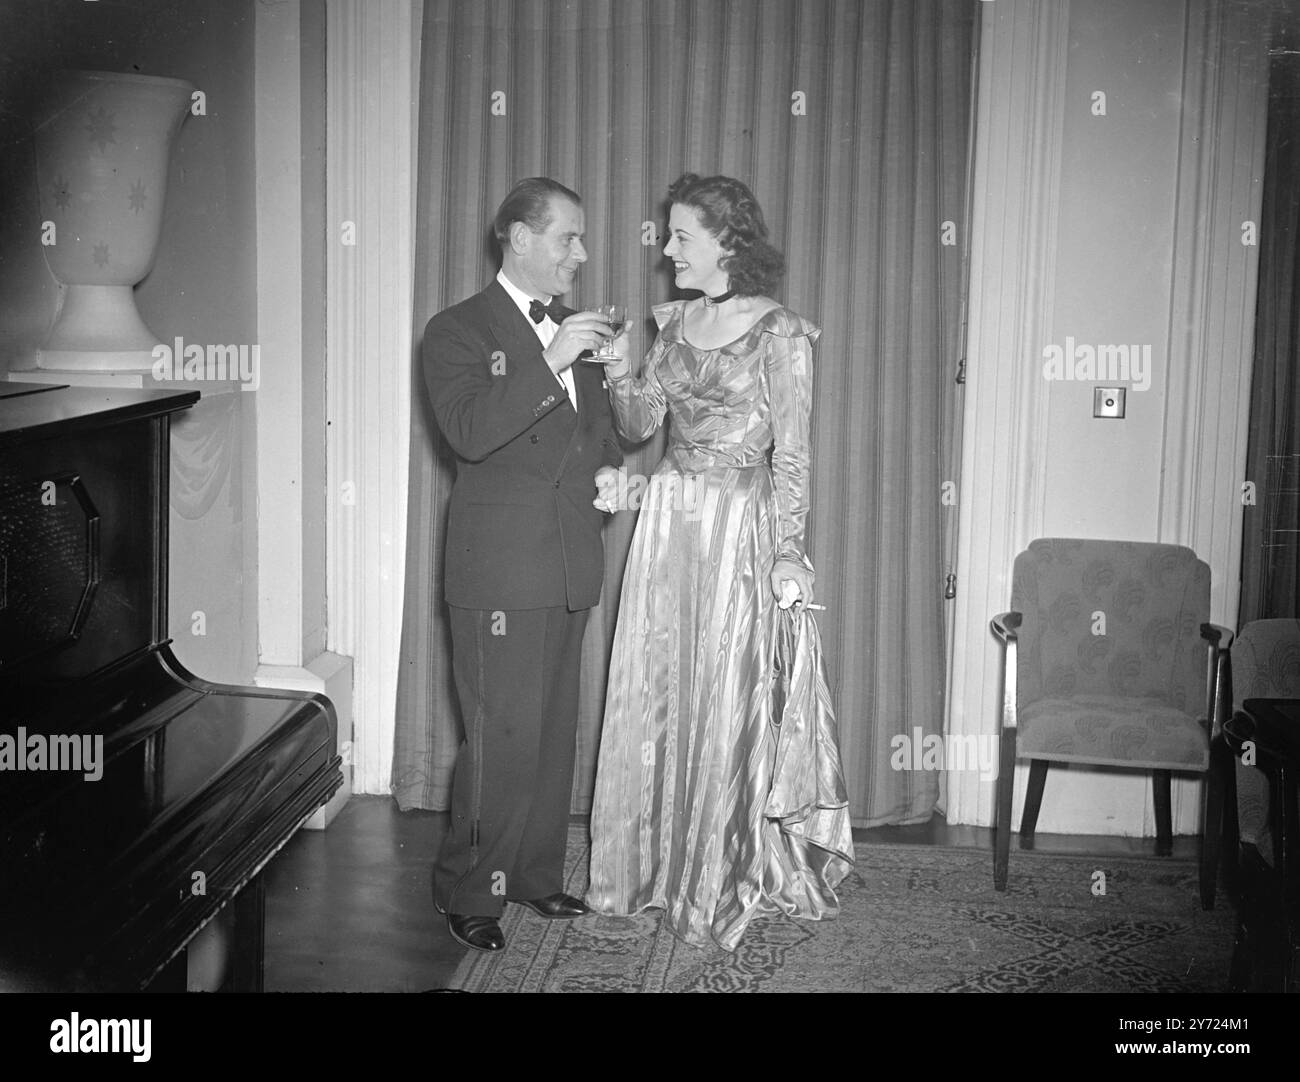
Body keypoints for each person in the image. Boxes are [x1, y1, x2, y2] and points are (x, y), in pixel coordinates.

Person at [587, 173, 854, 951]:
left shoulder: (781, 335)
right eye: (668, 236)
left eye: (681, 236)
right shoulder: (672, 325)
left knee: (724, 693)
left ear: (728, 242)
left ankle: (717, 874)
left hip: (739, 523)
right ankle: (647, 871)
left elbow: (793, 455)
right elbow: (640, 425)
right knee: (658, 687)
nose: (665, 250)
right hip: (669, 522)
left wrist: (790, 552)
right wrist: (616, 367)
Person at [423, 177, 622, 953]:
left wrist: (610, 483)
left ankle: (534, 877)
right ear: (518, 237)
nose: (580, 252)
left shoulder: (578, 330)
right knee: (499, 738)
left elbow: (596, 441)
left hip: (569, 563)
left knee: (550, 734)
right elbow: (471, 431)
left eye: (580, 237)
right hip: (499, 573)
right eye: (567, 237)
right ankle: (469, 890)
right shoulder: (456, 330)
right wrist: (553, 354)